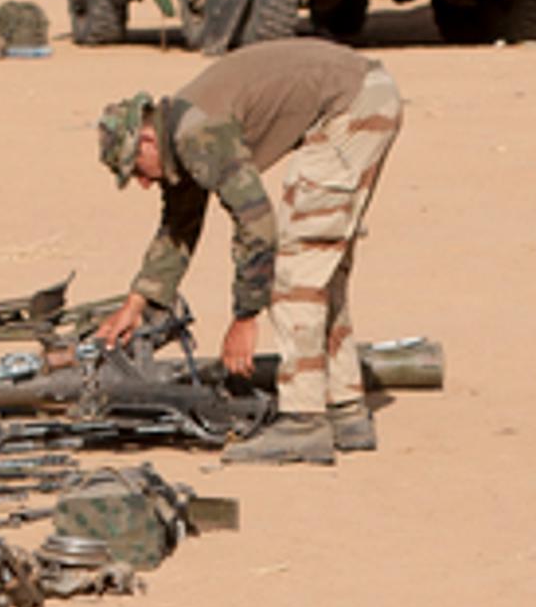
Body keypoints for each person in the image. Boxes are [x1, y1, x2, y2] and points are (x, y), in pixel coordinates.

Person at [86, 36, 403, 465]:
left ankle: (304, 422)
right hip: (364, 94)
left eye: (135, 170)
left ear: (145, 141)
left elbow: (256, 223)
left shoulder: (196, 133)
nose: (142, 183)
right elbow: (178, 226)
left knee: (293, 271)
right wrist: (136, 302)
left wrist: (244, 317)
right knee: (319, 267)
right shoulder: (178, 130)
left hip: (352, 105)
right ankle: (345, 410)